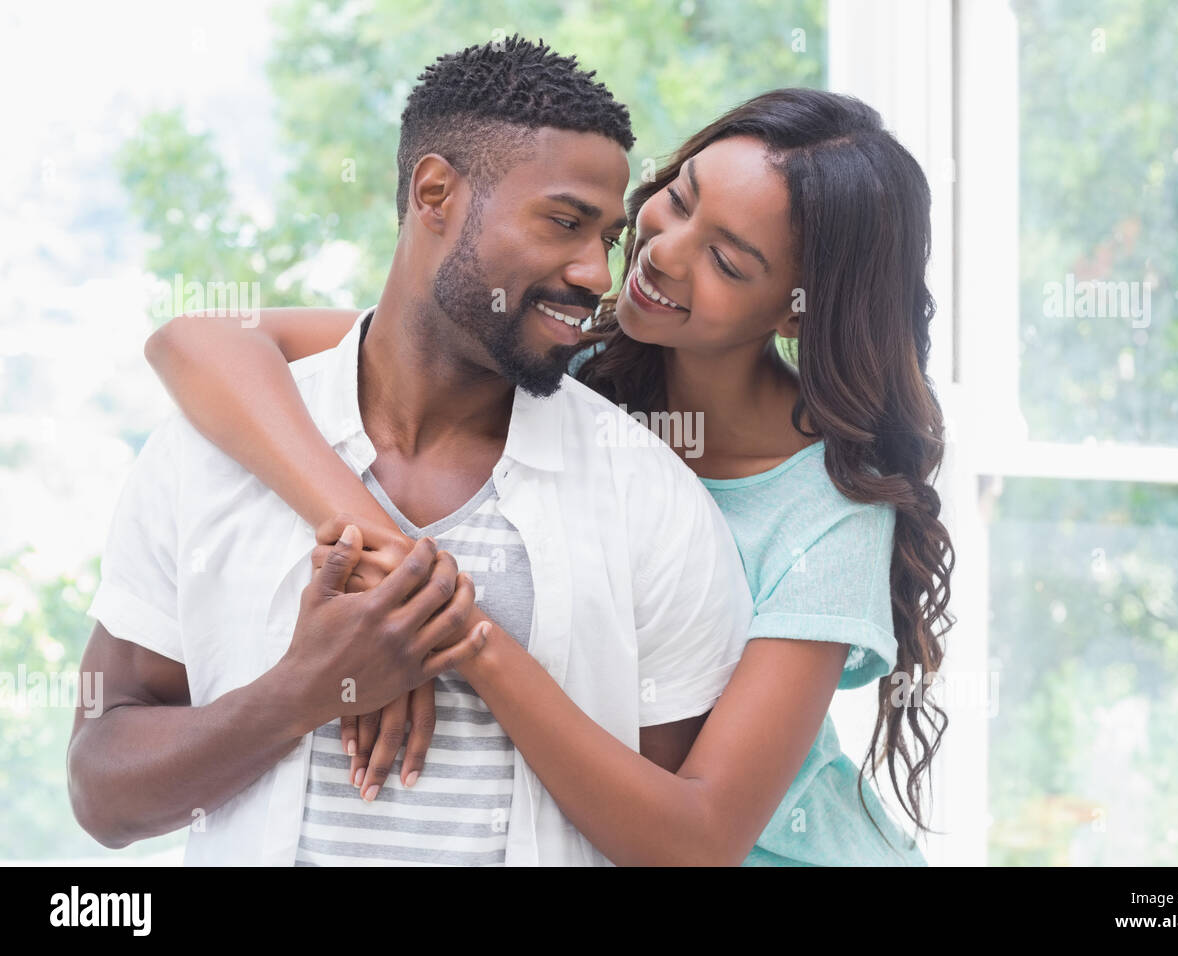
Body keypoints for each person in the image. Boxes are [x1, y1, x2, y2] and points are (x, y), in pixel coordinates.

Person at [139, 69, 956, 865]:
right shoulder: (551, 343)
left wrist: (450, 629)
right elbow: (199, 342)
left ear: (797, 308)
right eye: (678, 198)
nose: (663, 252)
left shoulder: (829, 513)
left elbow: (702, 836)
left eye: (729, 263)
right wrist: (390, 562)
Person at [67, 36, 755, 867]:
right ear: (436, 194)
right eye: (565, 222)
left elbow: (675, 845)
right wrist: (304, 692)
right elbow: (102, 796)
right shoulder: (207, 454)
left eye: (606, 238)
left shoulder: (649, 497)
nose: (596, 275)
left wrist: (454, 633)